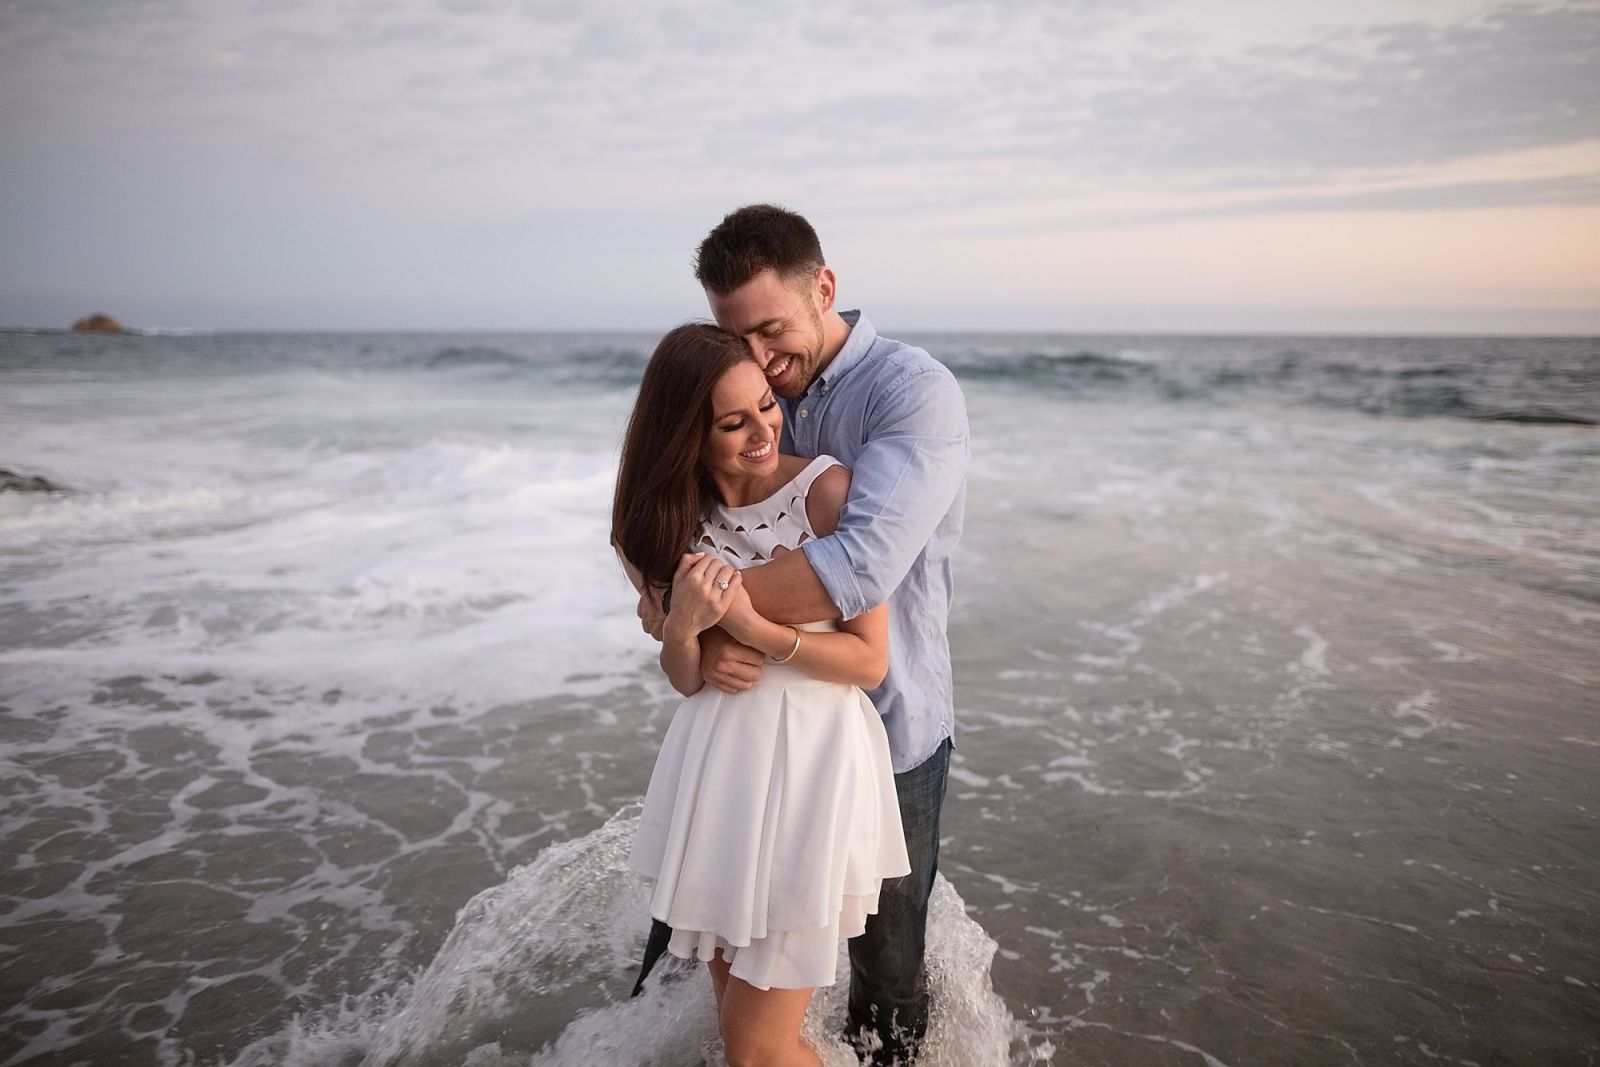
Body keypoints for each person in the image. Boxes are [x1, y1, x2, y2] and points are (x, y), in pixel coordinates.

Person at [637, 205, 969, 1063]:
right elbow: (654, 513)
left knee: (886, 976)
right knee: (709, 958)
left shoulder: (910, 393)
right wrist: (679, 622)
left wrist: (703, 605)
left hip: (880, 729)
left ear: (824, 288)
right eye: (735, 335)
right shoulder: (745, 387)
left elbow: (858, 565)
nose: (756, 357)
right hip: (740, 754)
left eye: (772, 329)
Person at [615, 323, 912, 1067]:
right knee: (743, 1033)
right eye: (732, 421)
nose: (761, 431)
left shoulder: (827, 494)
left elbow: (869, 662)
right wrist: (688, 631)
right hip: (720, 776)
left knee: (756, 1049)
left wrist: (751, 624)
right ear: (688, 433)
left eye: (766, 406)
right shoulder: (676, 522)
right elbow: (684, 677)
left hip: (812, 772)